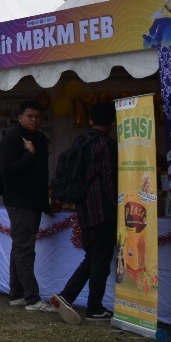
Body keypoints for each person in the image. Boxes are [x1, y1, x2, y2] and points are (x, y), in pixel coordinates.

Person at [51, 102, 119, 324]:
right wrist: (117, 204)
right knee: (100, 260)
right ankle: (94, 307)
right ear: (111, 123)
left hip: (84, 208)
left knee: (93, 257)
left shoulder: (80, 141)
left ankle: (67, 296)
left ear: (91, 121)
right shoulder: (105, 144)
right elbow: (108, 180)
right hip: (102, 209)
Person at [0, 100, 53, 312]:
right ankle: (32, 298)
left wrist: (45, 201)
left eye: (38, 117)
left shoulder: (39, 138)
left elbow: (42, 173)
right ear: (20, 117)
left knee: (20, 248)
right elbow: (8, 172)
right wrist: (29, 155)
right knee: (24, 249)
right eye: (30, 116)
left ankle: (17, 294)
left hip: (33, 201)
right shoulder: (12, 138)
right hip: (19, 201)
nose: (34, 120)